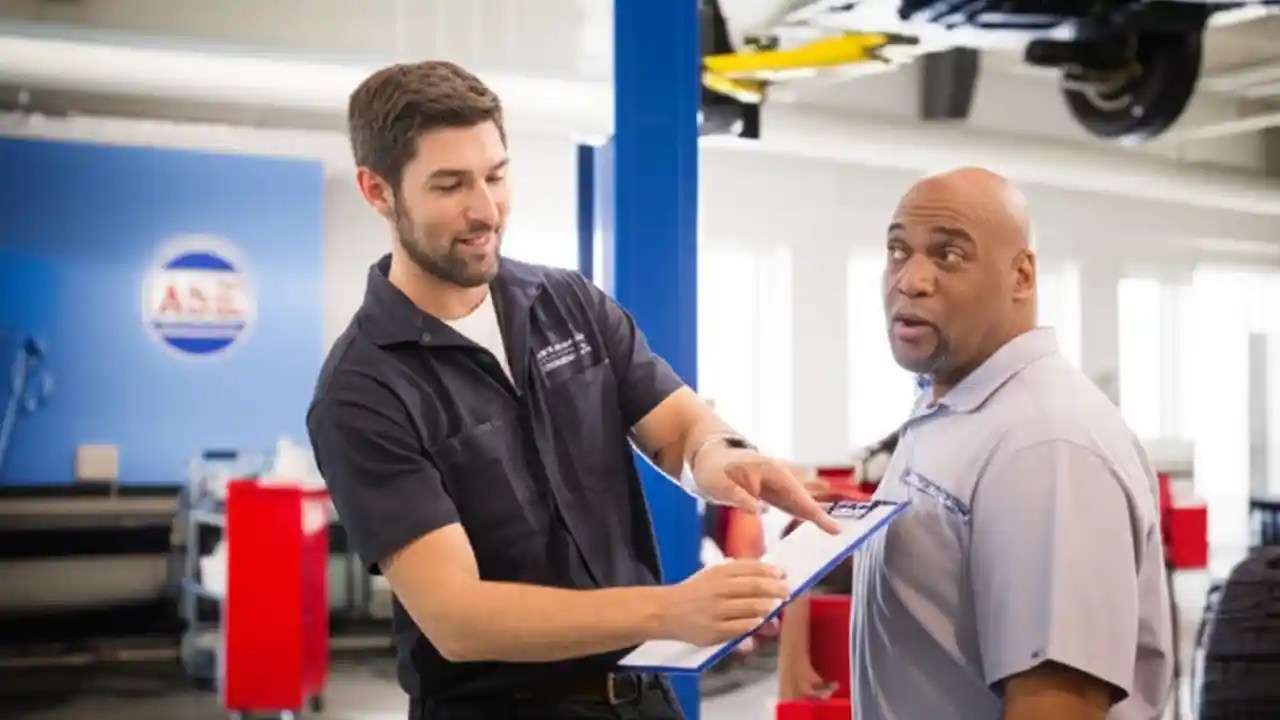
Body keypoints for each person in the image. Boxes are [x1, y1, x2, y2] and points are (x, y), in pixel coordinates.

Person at [305, 60, 839, 720]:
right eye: (450, 186)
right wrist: (670, 609)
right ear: (377, 191)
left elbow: (678, 428)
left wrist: (724, 458)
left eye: (496, 176)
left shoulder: (567, 303)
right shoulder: (363, 390)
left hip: (642, 700)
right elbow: (459, 616)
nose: (485, 209)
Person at [851, 167, 1174, 720]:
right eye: (898, 250)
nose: (911, 279)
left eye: (948, 255)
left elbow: (1056, 706)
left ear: (1021, 276)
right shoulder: (955, 406)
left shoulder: (1046, 444)